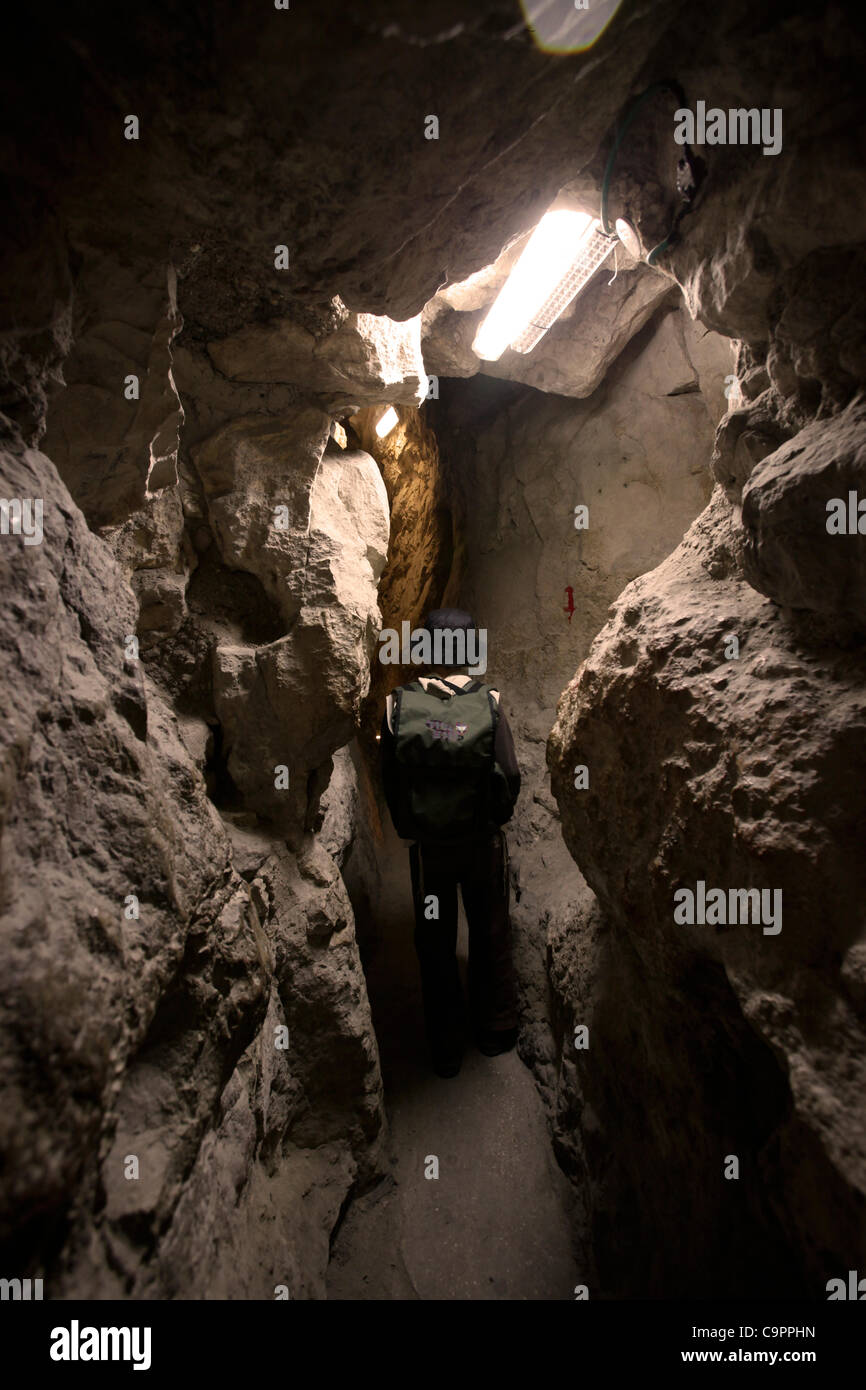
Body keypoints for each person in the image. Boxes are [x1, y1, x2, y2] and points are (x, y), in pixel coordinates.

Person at [380, 608, 521, 1078]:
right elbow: (511, 773)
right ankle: (495, 1032)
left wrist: (415, 828)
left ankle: (445, 1049)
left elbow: (391, 783)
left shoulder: (397, 706)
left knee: (436, 943)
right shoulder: (490, 702)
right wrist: (492, 820)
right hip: (481, 847)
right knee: (489, 930)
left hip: (432, 852)